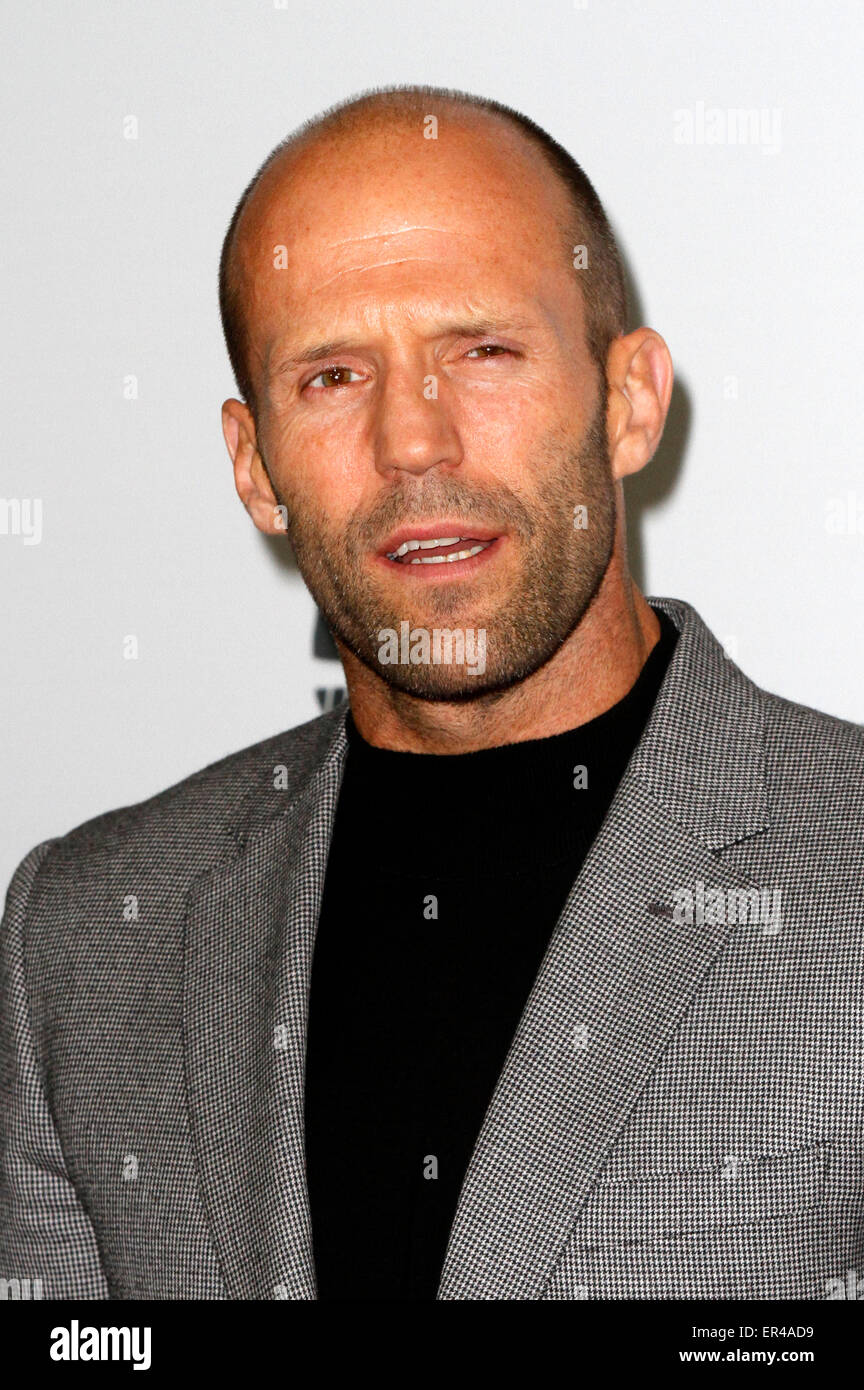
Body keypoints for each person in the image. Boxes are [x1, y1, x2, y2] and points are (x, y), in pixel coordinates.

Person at [1, 85, 862, 1302]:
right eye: (334, 375)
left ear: (629, 399)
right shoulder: (82, 932)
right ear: (254, 468)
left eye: (483, 350)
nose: (414, 439)